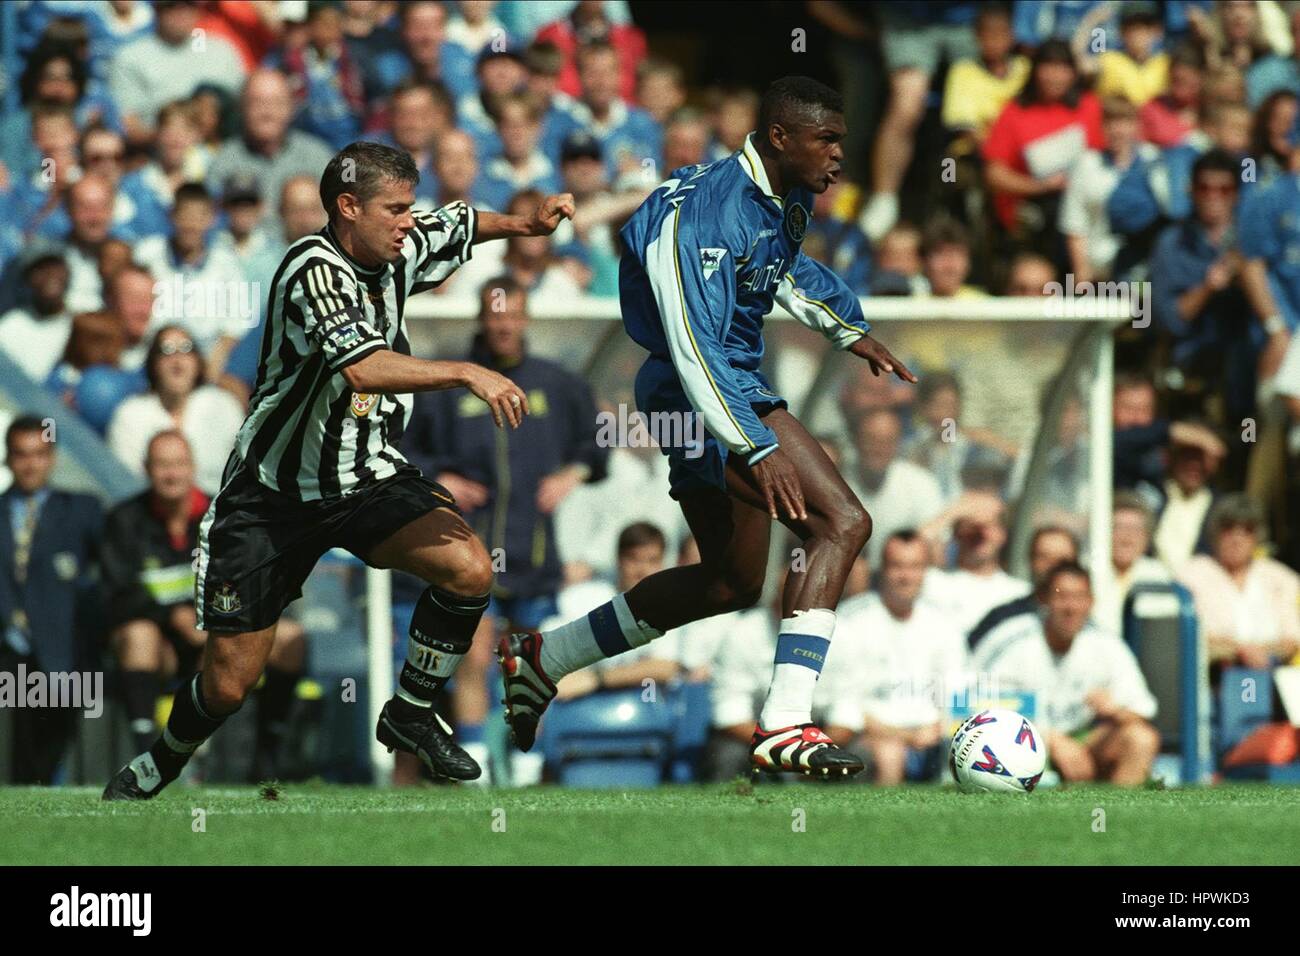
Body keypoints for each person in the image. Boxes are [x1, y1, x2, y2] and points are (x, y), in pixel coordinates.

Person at [101, 141, 575, 799]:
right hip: (271, 498)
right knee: (228, 684)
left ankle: (409, 712)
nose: (411, 220)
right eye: (397, 208)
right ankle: (162, 761)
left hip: (365, 476)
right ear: (348, 208)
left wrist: (526, 225)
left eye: (411, 207)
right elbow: (363, 367)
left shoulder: (399, 243)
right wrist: (465, 369)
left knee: (469, 570)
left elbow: (461, 223)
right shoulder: (310, 269)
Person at [498, 77, 916, 778]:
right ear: (780, 137)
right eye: (829, 140)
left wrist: (850, 328)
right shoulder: (700, 217)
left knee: (729, 583)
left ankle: (544, 657)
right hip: (699, 392)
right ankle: (784, 722)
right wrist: (754, 444)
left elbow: (781, 269)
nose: (841, 156)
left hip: (714, 389)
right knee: (843, 522)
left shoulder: (779, 194)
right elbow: (693, 343)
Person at [402, 275, 607, 777]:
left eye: (512, 314)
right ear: (482, 318)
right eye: (495, 315)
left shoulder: (557, 384)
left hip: (534, 550)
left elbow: (596, 446)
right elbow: (403, 452)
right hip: (467, 548)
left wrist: (570, 474)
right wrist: (441, 477)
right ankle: (471, 766)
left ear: (524, 318)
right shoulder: (449, 383)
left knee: (530, 663)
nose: (503, 324)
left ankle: (526, 765)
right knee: (472, 657)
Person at [102, 430, 307, 775]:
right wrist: (172, 617)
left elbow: (256, 583)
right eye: (162, 465)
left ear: (193, 467)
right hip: (161, 646)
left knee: (290, 638)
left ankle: (268, 755)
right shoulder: (123, 520)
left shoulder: (226, 516)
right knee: (137, 636)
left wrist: (215, 623)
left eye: (178, 464)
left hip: (221, 633)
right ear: (146, 468)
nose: (171, 474)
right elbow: (115, 595)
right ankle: (146, 760)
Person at [973, 561, 1160, 787]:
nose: (1070, 607)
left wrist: (1115, 710)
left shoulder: (1107, 646)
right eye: (1062, 596)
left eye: (1079, 597)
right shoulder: (1014, 642)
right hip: (1019, 744)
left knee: (1141, 739)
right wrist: (1050, 739)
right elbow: (976, 708)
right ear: (1043, 599)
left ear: (1091, 602)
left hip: (1085, 742)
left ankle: (1116, 816)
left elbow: (1142, 710)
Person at [0, 416, 104, 784]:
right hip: (9, 644)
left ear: (53, 457)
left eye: (40, 454)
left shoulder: (81, 510)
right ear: (9, 459)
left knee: (51, 729)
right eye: (22, 455)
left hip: (64, 647)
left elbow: (109, 570)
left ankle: (45, 782)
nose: (31, 464)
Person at [821, 531, 966, 786]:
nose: (906, 576)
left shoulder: (944, 625)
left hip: (932, 737)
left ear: (926, 571)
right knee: (886, 753)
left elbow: (956, 694)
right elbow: (842, 705)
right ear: (882, 569)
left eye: (915, 567)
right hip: (868, 736)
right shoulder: (850, 621)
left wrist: (935, 730)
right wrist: (900, 737)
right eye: (897, 566)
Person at [106, 326, 246, 495]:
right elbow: (127, 483)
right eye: (167, 350)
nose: (177, 360)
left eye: (186, 348)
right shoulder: (130, 414)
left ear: (197, 361)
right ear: (153, 363)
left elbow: (244, 471)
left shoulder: (224, 406)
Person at [1178, 494, 1300, 670]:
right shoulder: (1190, 574)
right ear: (1215, 532)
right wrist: (1239, 651)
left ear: (1257, 536)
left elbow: (1293, 638)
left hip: (1272, 675)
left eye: (1247, 530)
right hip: (1213, 678)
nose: (1237, 538)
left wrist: (1258, 652)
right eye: (1228, 528)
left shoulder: (1280, 578)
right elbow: (1187, 637)